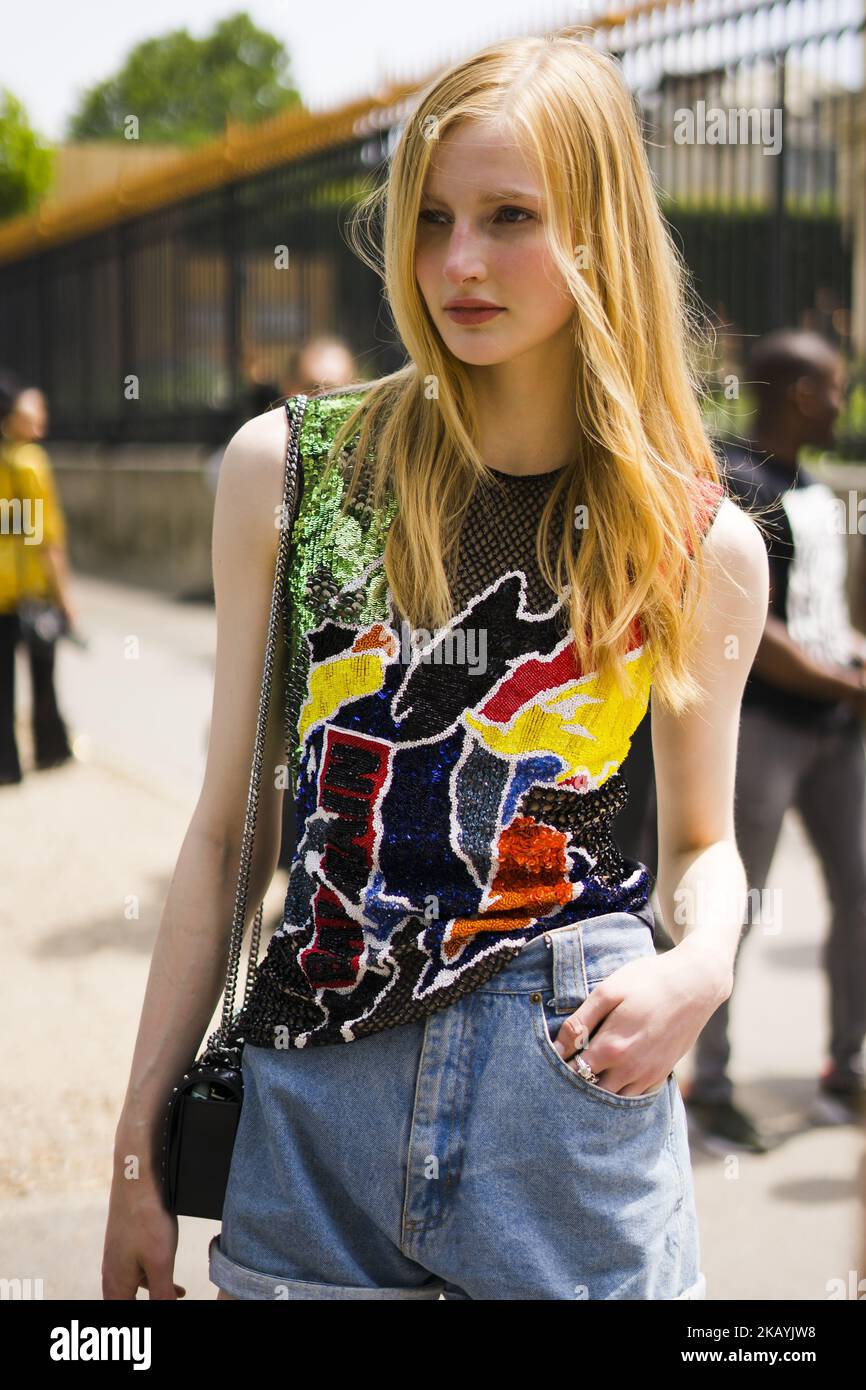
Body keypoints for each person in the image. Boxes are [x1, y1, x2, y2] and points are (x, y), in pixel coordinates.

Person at [102, 31, 769, 1302]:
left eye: (508, 217)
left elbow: (701, 840)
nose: (457, 263)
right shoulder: (288, 475)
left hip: (568, 1103)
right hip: (314, 1118)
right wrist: (137, 1150)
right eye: (431, 219)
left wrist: (703, 963)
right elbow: (229, 837)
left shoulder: (699, 542)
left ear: (599, 234)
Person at [663, 329, 866, 1152]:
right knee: (728, 906)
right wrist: (844, 683)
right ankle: (705, 1087)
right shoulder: (730, 481)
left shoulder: (815, 487)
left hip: (835, 730)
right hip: (761, 729)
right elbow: (751, 625)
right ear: (794, 391)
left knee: (859, 894)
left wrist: (850, 663)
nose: (843, 403)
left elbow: (820, 612)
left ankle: (843, 1070)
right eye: (834, 388)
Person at [0, 374, 77, 783]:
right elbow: (43, 536)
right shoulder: (28, 461)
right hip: (23, 585)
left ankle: (7, 763)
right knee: (43, 672)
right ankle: (50, 748)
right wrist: (64, 593)